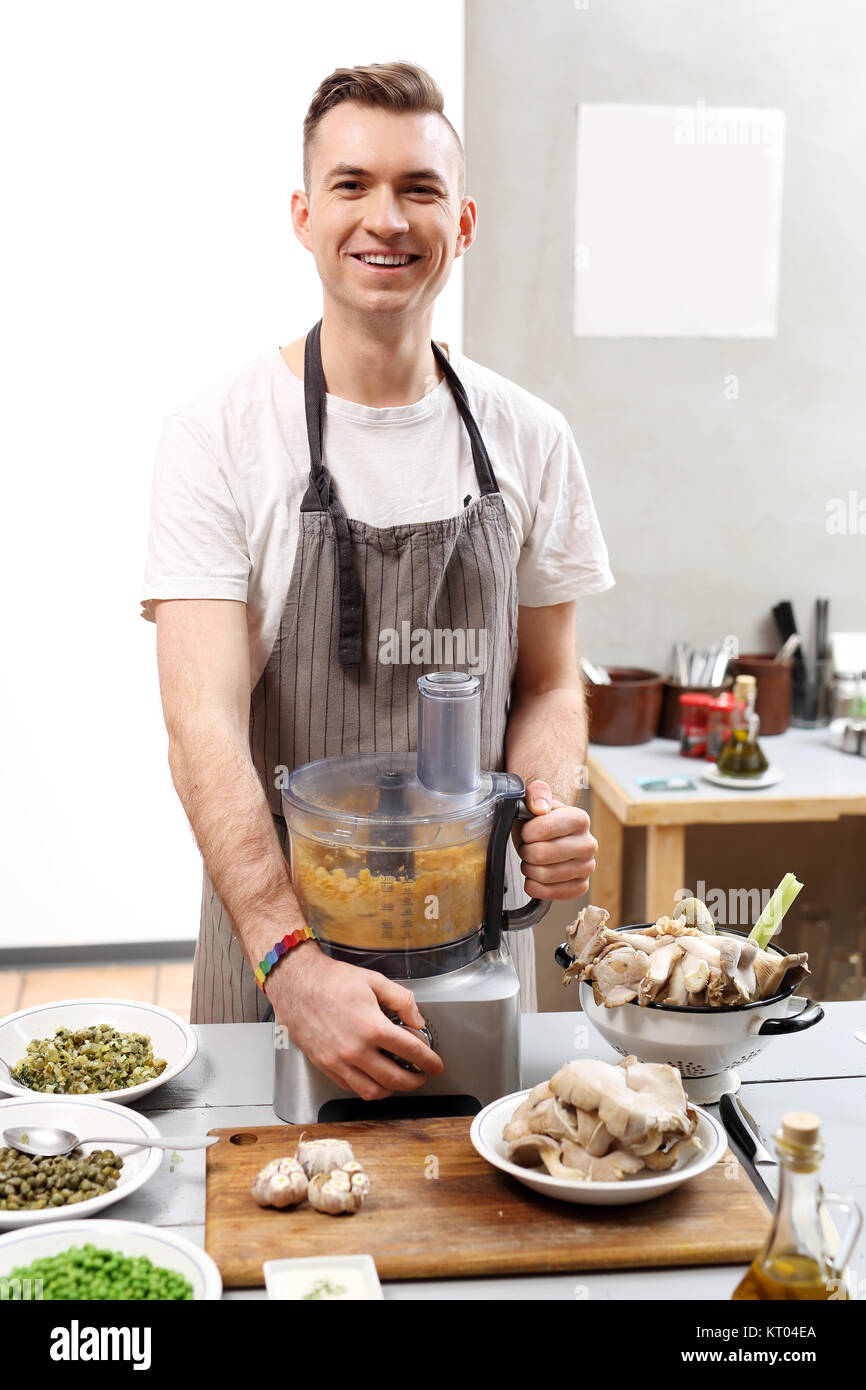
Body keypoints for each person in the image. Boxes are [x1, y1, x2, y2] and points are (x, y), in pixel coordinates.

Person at [140, 60, 614, 1102]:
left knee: (489, 1238)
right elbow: (201, 728)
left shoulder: (530, 438)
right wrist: (289, 961)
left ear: (465, 220)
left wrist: (545, 802)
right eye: (351, 185)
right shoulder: (216, 436)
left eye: (419, 188)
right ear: (304, 215)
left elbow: (549, 684)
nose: (385, 219)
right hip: (276, 958)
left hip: (468, 952)